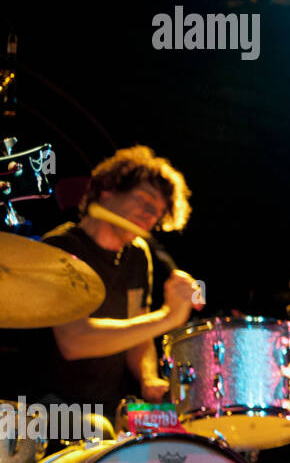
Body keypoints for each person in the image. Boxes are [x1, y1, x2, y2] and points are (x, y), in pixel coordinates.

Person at [37, 145, 202, 432]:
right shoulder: (61, 248)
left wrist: (148, 377)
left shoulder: (138, 255)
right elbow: (74, 341)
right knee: (97, 428)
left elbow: (138, 334)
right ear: (108, 190)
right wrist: (167, 318)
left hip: (112, 407)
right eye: (144, 200)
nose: (150, 215)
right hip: (52, 411)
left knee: (187, 430)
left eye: (158, 212)